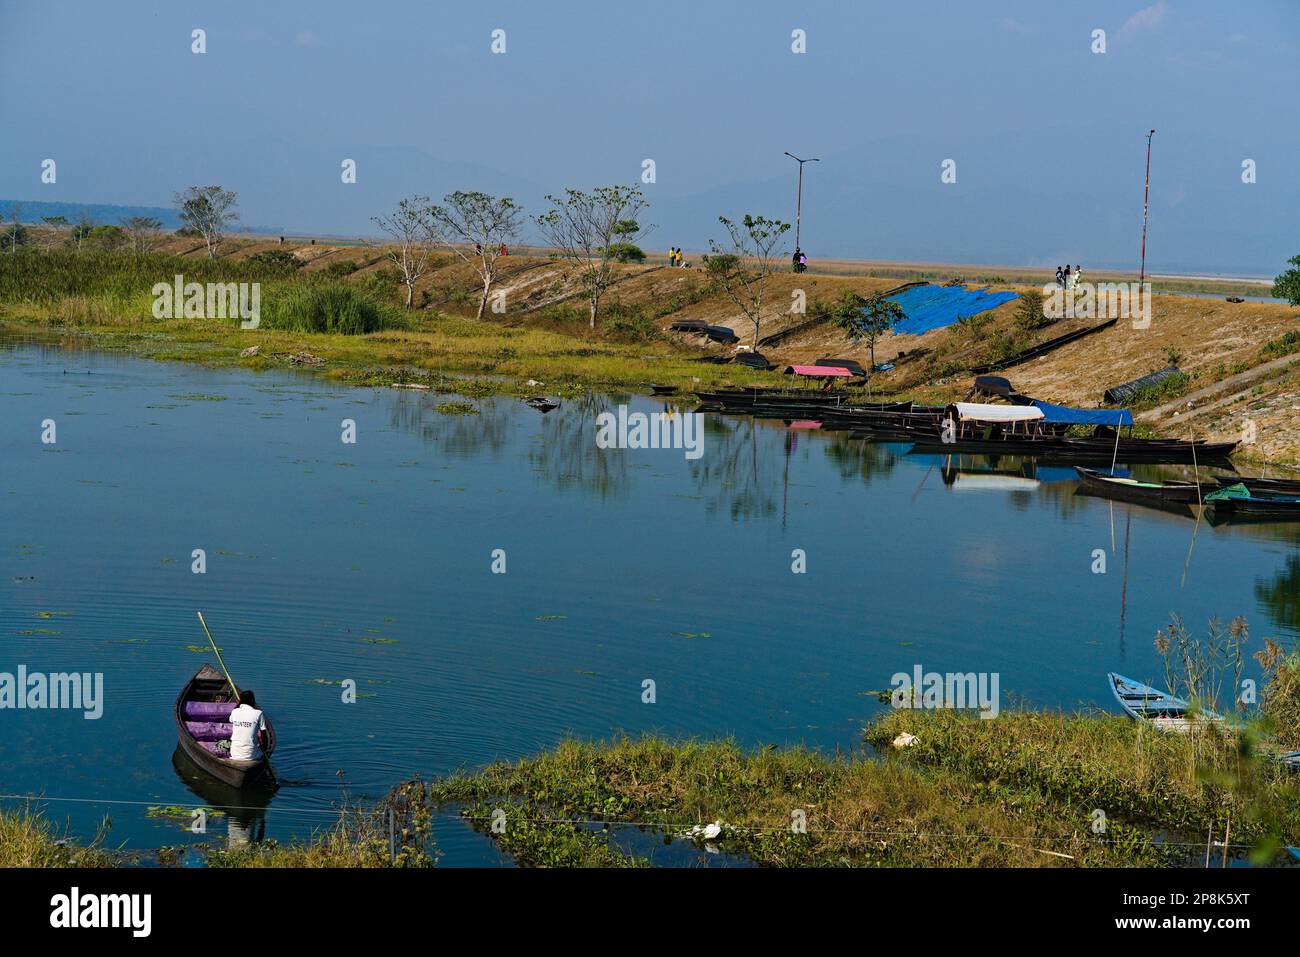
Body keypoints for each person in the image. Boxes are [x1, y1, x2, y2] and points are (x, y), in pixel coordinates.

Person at [228, 689, 268, 761]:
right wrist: (265, 749)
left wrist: (238, 705)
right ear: (252, 700)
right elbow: (263, 734)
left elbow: (230, 720)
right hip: (252, 755)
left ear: (241, 701)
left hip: (234, 753)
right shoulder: (259, 713)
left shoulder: (234, 711)